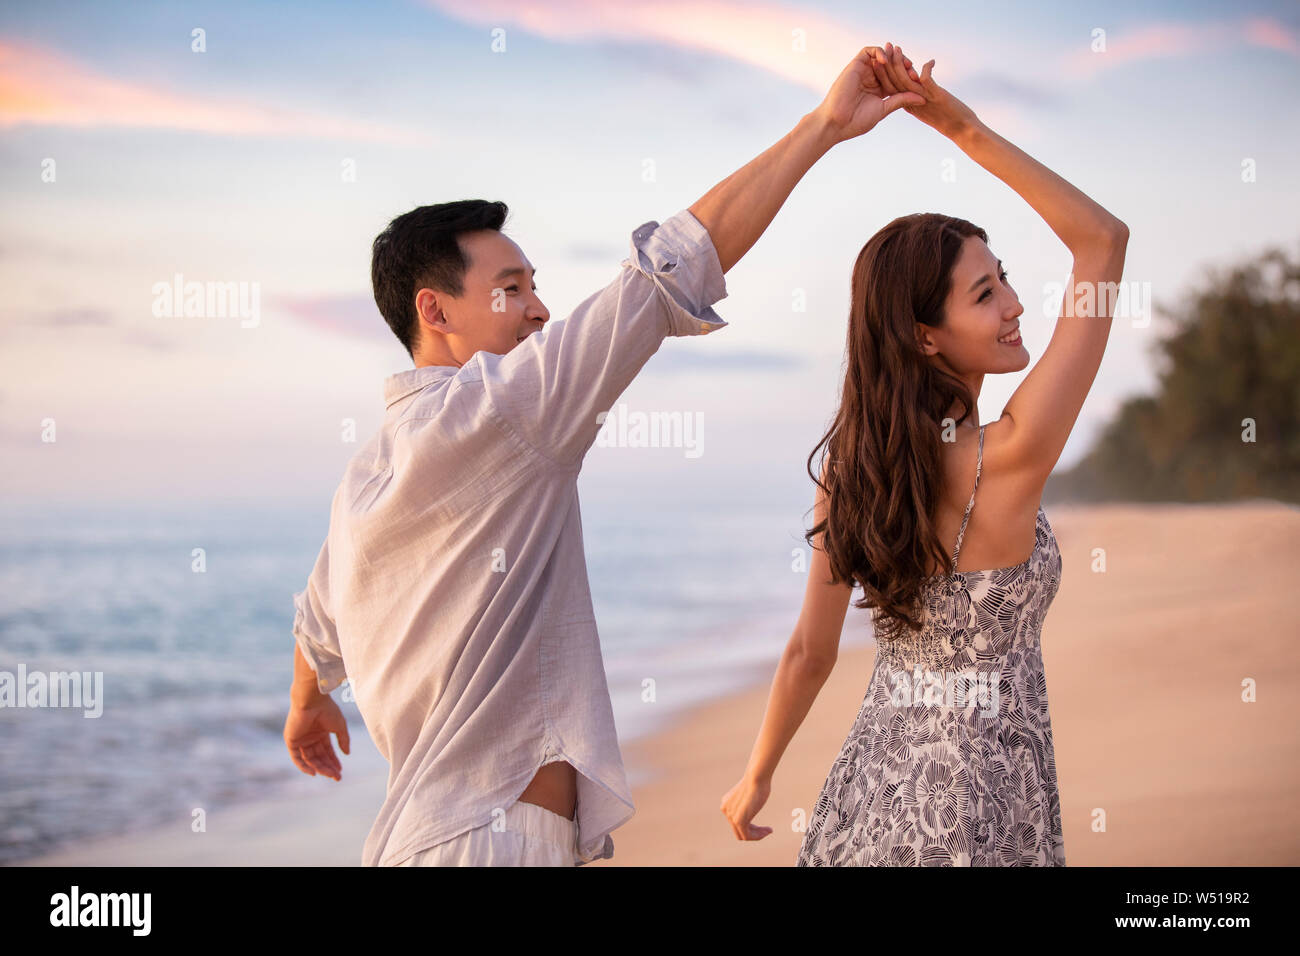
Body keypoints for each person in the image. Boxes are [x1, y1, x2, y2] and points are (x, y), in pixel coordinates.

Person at [282, 45, 928, 867]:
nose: (539, 308)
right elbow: (666, 273)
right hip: (492, 844)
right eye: (510, 288)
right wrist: (823, 127)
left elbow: (317, 627)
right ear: (433, 310)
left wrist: (306, 707)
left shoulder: (365, 477)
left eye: (534, 284)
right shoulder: (502, 408)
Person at [720, 43, 1129, 865]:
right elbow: (1103, 244)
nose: (1016, 305)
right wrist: (957, 123)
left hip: (870, 798)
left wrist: (758, 773)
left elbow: (811, 651)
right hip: (977, 810)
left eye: (1004, 277)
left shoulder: (855, 471)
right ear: (922, 334)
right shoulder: (1008, 456)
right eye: (985, 294)